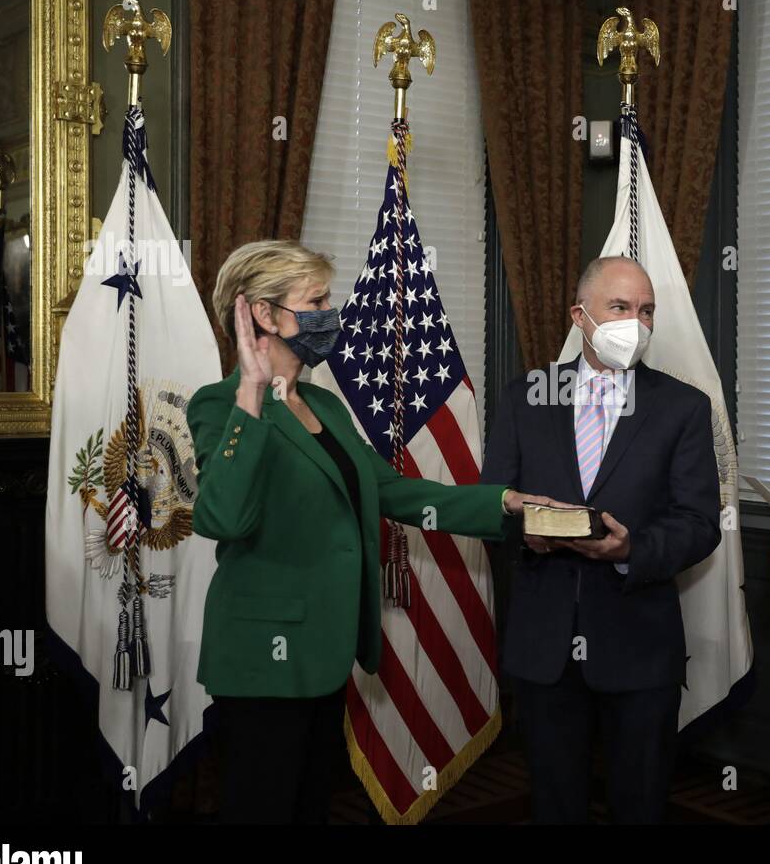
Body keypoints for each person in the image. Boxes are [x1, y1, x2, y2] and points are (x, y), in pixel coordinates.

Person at [187, 239, 556, 823]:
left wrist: (504, 503)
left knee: (307, 806)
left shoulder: (325, 406)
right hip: (263, 659)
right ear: (263, 313)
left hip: (326, 651)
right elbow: (222, 518)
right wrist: (251, 393)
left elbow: (392, 491)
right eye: (316, 300)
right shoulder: (218, 406)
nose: (329, 314)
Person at [481, 255, 722, 824]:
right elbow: (493, 502)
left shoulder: (683, 406)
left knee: (640, 803)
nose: (634, 323)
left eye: (646, 311)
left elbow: (699, 522)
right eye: (619, 308)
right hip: (545, 645)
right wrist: (528, 535)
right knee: (554, 802)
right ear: (580, 315)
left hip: (639, 644)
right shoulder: (525, 397)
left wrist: (630, 550)